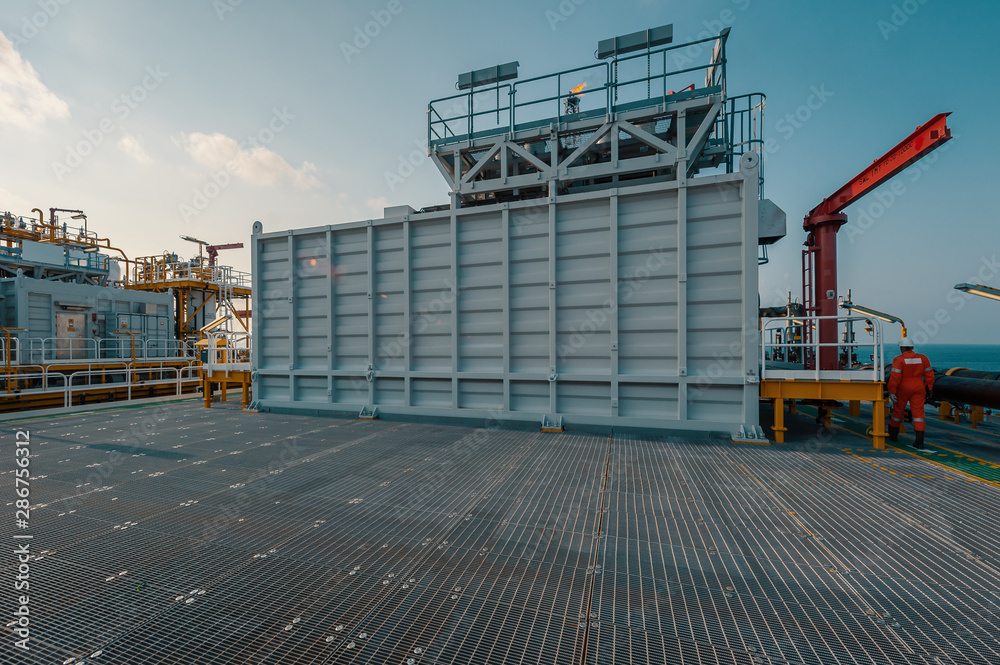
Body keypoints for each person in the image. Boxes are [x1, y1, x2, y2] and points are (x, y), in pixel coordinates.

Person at [887, 337, 935, 450]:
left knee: (898, 412)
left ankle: (893, 436)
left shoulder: (898, 360)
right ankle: (919, 442)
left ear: (901, 348)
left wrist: (892, 391)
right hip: (918, 388)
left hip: (903, 388)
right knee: (919, 415)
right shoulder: (923, 358)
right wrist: (930, 388)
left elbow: (895, 377)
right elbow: (929, 375)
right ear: (912, 347)